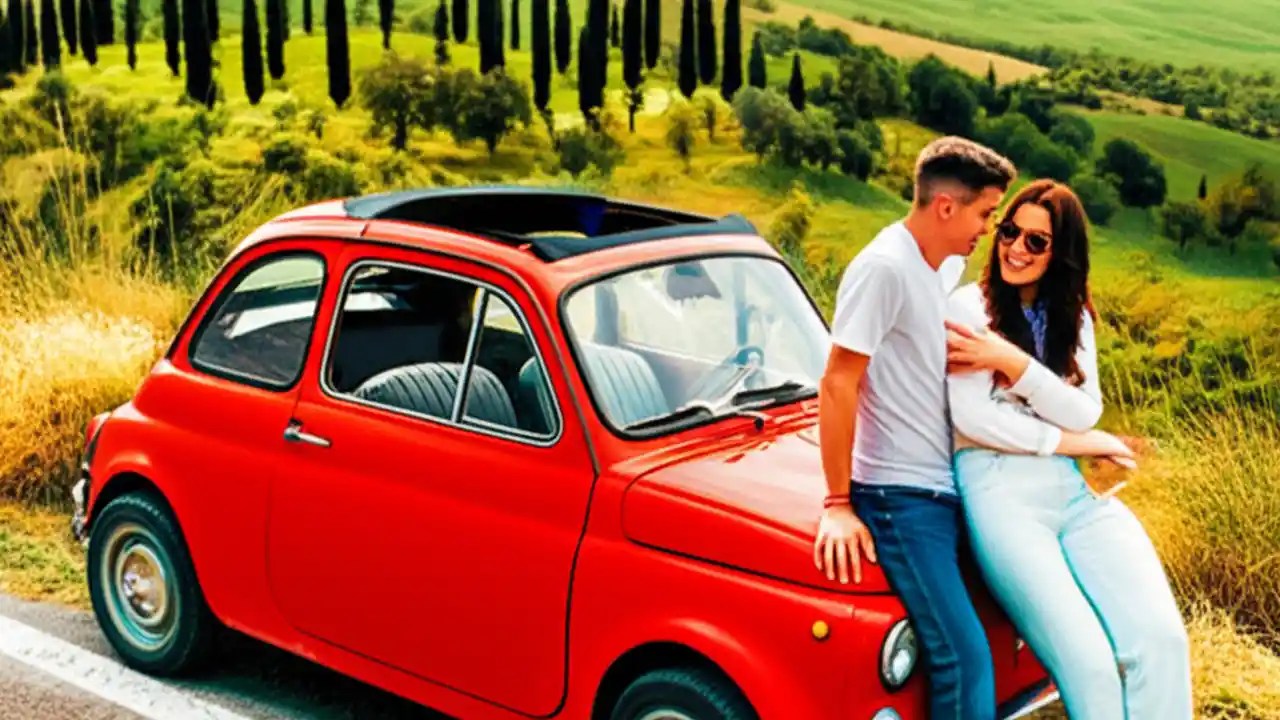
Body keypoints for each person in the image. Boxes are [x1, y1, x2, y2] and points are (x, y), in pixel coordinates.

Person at [943, 178, 1193, 719]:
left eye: (1037, 241)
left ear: (1063, 254)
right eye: (1011, 231)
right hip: (1001, 496)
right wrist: (1074, 441)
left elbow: (1086, 409)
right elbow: (974, 419)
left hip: (1074, 496)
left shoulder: (1073, 317)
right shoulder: (967, 310)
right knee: (1092, 667)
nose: (1015, 247)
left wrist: (1013, 365)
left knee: (1161, 643)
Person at [814, 136, 1016, 719]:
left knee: (1001, 633)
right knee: (963, 657)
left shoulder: (943, 264)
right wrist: (837, 502)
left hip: (949, 486)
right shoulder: (884, 269)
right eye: (985, 214)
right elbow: (838, 381)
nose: (989, 230)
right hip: (900, 498)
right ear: (946, 207)